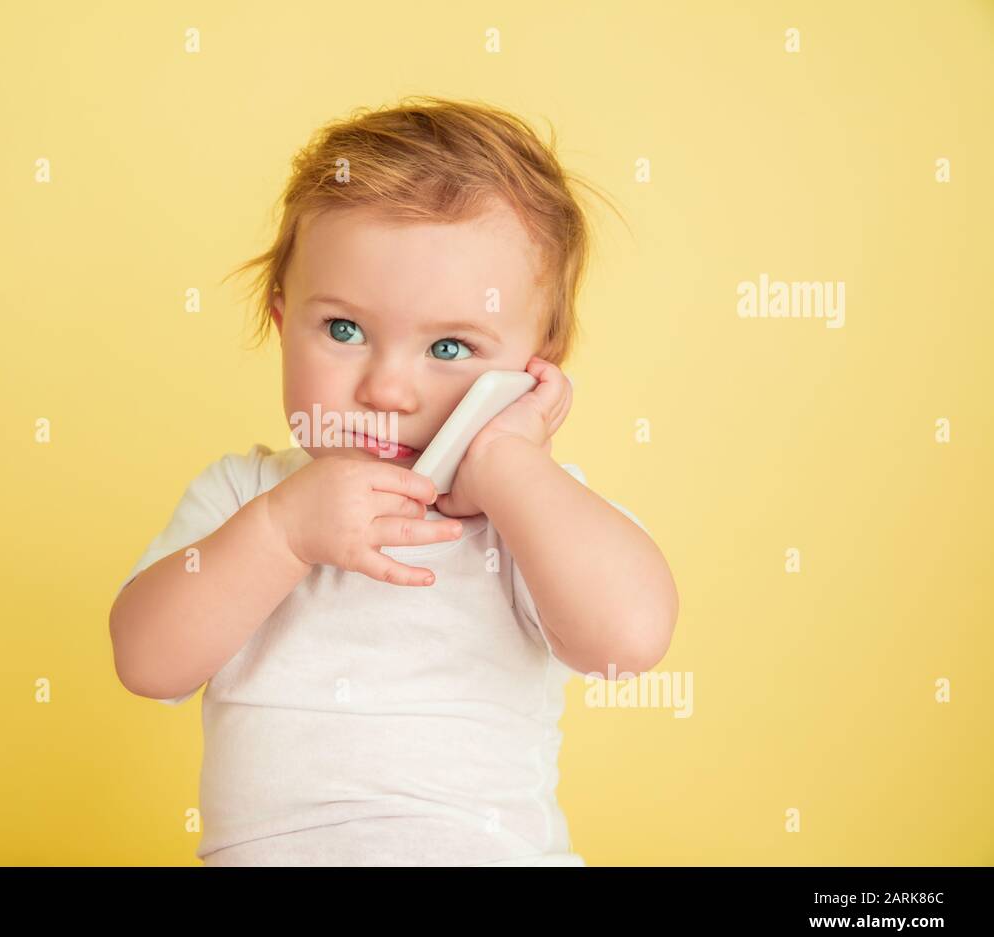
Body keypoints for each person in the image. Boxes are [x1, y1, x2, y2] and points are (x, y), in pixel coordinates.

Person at [109, 95, 679, 866]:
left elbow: (629, 643)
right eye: (344, 330)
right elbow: (146, 662)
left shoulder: (529, 515)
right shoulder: (247, 496)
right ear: (283, 325)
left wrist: (510, 465)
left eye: (450, 348)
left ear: (534, 366)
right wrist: (280, 534)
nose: (386, 389)